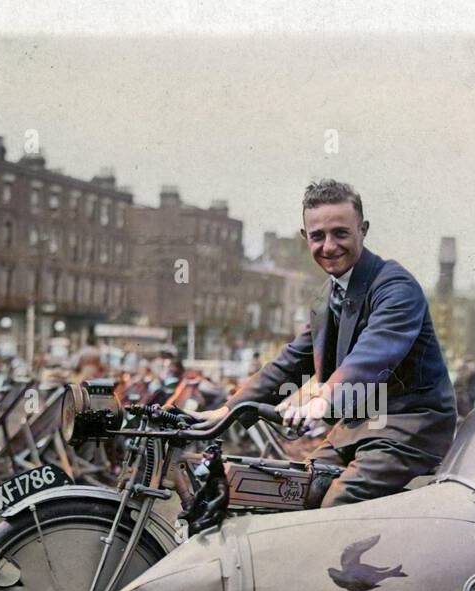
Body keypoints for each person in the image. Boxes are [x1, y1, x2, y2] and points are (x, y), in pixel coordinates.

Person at [192, 179, 456, 507]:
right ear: (306, 238)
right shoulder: (327, 297)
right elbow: (291, 360)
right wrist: (226, 411)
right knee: (295, 492)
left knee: (335, 508)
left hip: (408, 431)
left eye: (340, 233)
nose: (329, 246)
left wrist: (319, 401)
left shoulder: (395, 287)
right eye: (318, 236)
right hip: (359, 428)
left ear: (363, 230)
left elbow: (372, 356)